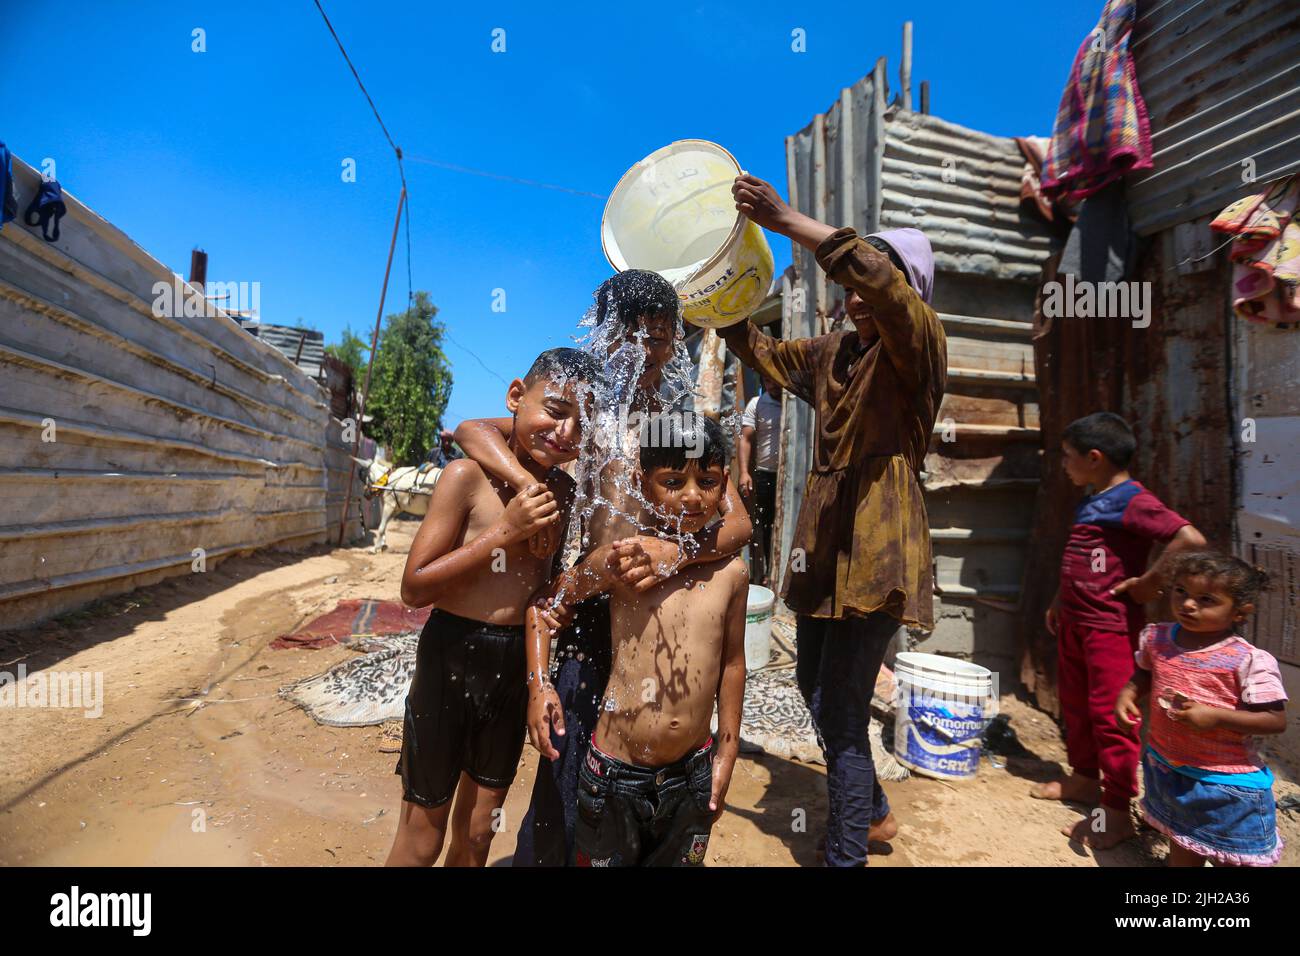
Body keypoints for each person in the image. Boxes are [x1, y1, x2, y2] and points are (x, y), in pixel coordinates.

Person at [454, 269, 752, 866]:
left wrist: (679, 550)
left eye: (663, 339)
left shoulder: (671, 423)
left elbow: (740, 523)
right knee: (565, 789)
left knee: (644, 786)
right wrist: (518, 480)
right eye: (635, 337)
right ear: (606, 338)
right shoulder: (587, 412)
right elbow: (472, 428)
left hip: (656, 617)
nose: (649, 352)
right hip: (591, 618)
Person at [718, 173, 944, 866]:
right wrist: (711, 291)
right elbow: (757, 350)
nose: (853, 291)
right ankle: (872, 812)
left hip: (878, 543)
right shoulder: (830, 354)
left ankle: (844, 854)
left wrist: (786, 219)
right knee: (813, 687)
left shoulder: (918, 347)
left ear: (903, 288)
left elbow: (879, 279)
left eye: (866, 277)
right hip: (822, 546)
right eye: (848, 281)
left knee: (844, 711)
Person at [384, 347, 600, 867]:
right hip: (451, 652)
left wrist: (538, 678)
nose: (566, 433)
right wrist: (507, 532)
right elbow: (414, 589)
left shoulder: (564, 494)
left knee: (479, 834)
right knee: (423, 837)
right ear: (515, 397)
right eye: (555, 410)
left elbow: (538, 592)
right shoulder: (465, 477)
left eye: (583, 422)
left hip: (510, 667)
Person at [525, 415, 747, 866]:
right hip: (614, 776)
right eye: (672, 481)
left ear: (723, 483)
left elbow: (732, 665)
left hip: (692, 775)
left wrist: (726, 754)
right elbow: (543, 606)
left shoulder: (732, 573)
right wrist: (539, 683)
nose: (691, 496)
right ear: (643, 486)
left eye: (706, 481)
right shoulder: (622, 560)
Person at [1033, 411, 1207, 849]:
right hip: (1077, 621)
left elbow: (1190, 539)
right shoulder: (1094, 497)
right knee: (1076, 705)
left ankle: (1116, 812)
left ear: (1095, 457)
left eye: (1068, 457)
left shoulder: (1133, 499)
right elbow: (1086, 556)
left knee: (1113, 716)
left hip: (1109, 627)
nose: (1064, 465)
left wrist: (1149, 584)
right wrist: (1059, 598)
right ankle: (1084, 780)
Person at [1115, 551, 1287, 866]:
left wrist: (1215, 717)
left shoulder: (1248, 660)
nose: (1188, 604)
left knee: (1233, 859)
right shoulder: (1159, 638)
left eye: (1206, 599)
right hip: (1170, 768)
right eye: (1181, 591)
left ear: (1240, 612)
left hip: (1226, 786)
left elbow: (1275, 720)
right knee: (1182, 846)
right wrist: (1129, 693)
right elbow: (1146, 671)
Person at [739, 375, 782, 587]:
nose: (773, 385)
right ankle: (763, 574)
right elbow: (746, 439)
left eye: (776, 380)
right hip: (765, 474)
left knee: (782, 525)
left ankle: (783, 571)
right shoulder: (757, 404)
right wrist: (744, 472)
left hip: (789, 478)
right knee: (763, 526)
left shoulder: (798, 404)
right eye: (768, 381)